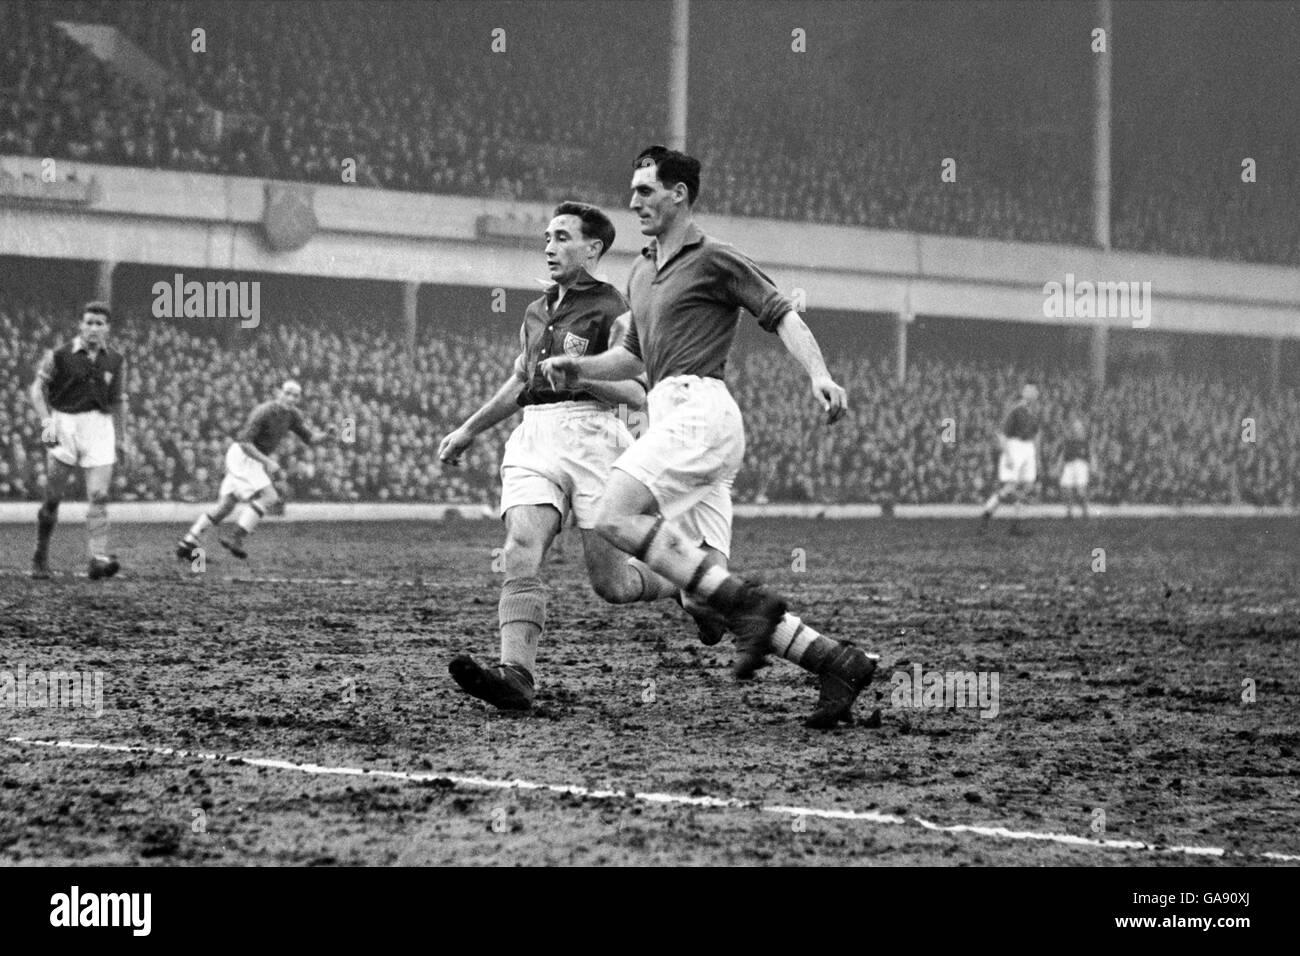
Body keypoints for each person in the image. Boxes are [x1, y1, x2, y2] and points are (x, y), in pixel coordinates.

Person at [541, 146, 878, 729]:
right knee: (700, 593)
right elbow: (632, 358)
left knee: (614, 516)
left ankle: (753, 606)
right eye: (632, 190)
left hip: (701, 409)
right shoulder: (640, 271)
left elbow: (781, 313)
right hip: (676, 415)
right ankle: (835, 661)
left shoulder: (715, 258)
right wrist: (581, 369)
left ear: (679, 194)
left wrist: (819, 374)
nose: (633, 201)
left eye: (645, 191)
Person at [439, 201, 701, 711]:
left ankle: (686, 589)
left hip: (593, 438)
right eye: (547, 237)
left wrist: (583, 376)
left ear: (593, 248)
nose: (549, 246)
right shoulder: (537, 311)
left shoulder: (616, 309)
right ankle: (517, 675)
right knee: (520, 544)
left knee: (613, 584)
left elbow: (639, 390)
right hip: (536, 435)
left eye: (562, 237)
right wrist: (469, 429)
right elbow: (520, 382)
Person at [175, 380, 334, 562]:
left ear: (299, 398)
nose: (290, 398)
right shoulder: (264, 411)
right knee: (270, 496)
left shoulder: (292, 415)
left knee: (226, 506)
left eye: (295, 395)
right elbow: (244, 443)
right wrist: (267, 461)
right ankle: (236, 537)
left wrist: (327, 436)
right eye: (287, 393)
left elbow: (311, 438)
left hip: (252, 459)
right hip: (243, 456)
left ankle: (187, 544)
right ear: (279, 392)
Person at [29, 301, 130, 579]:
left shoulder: (116, 360)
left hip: (100, 427)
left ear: (107, 328)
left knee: (99, 496)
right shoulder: (59, 355)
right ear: (80, 325)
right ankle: (40, 554)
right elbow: (37, 391)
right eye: (89, 322)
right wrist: (46, 422)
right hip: (65, 424)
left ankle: (97, 558)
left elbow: (119, 402)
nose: (93, 328)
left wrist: (121, 439)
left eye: (99, 324)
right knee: (53, 499)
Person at [981, 384, 1042, 535]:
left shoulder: (1034, 412)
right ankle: (985, 517)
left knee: (1027, 486)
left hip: (1028, 448)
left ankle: (1016, 526)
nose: (1034, 393)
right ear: (1024, 394)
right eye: (1031, 391)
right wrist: (1007, 455)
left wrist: (1036, 456)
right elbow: (1002, 434)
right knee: (1010, 488)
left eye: (1035, 391)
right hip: (1014, 447)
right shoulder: (1015, 411)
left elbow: (1035, 435)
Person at [1059, 417, 1092, 518]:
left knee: (1081, 491)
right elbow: (1063, 454)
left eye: (1078, 427)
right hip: (1069, 464)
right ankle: (1069, 512)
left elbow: (1091, 454)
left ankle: (1085, 511)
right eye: (1074, 427)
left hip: (1081, 464)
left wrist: (1093, 465)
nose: (1076, 429)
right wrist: (1059, 465)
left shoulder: (1085, 442)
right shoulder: (1068, 441)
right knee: (1066, 488)